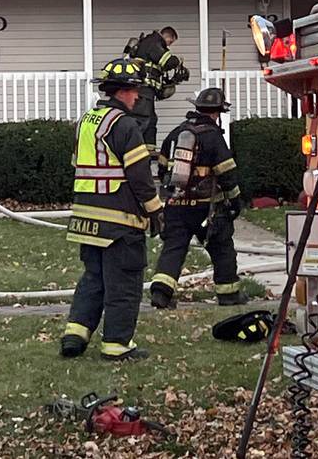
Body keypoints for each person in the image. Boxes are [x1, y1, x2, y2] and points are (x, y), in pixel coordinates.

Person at [61, 56, 165, 363]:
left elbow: (77, 165)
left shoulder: (87, 121)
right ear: (123, 91)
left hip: (86, 219)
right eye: (135, 91)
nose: (137, 97)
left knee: (94, 278)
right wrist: (155, 210)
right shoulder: (125, 125)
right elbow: (139, 176)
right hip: (120, 220)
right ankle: (117, 344)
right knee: (124, 281)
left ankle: (75, 334)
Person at [149, 85, 244, 310]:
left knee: (174, 248)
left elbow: (162, 170)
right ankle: (228, 294)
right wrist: (234, 202)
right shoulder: (212, 137)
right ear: (216, 113)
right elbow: (227, 173)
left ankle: (161, 294)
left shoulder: (175, 134)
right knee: (221, 248)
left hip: (177, 205)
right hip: (207, 209)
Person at [127, 26, 190, 147]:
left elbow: (157, 69)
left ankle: (148, 152)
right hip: (143, 90)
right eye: (170, 42)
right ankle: (138, 150)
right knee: (145, 120)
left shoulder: (149, 43)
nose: (169, 45)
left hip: (145, 91)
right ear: (167, 36)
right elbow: (167, 61)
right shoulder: (154, 42)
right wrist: (178, 62)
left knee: (150, 120)